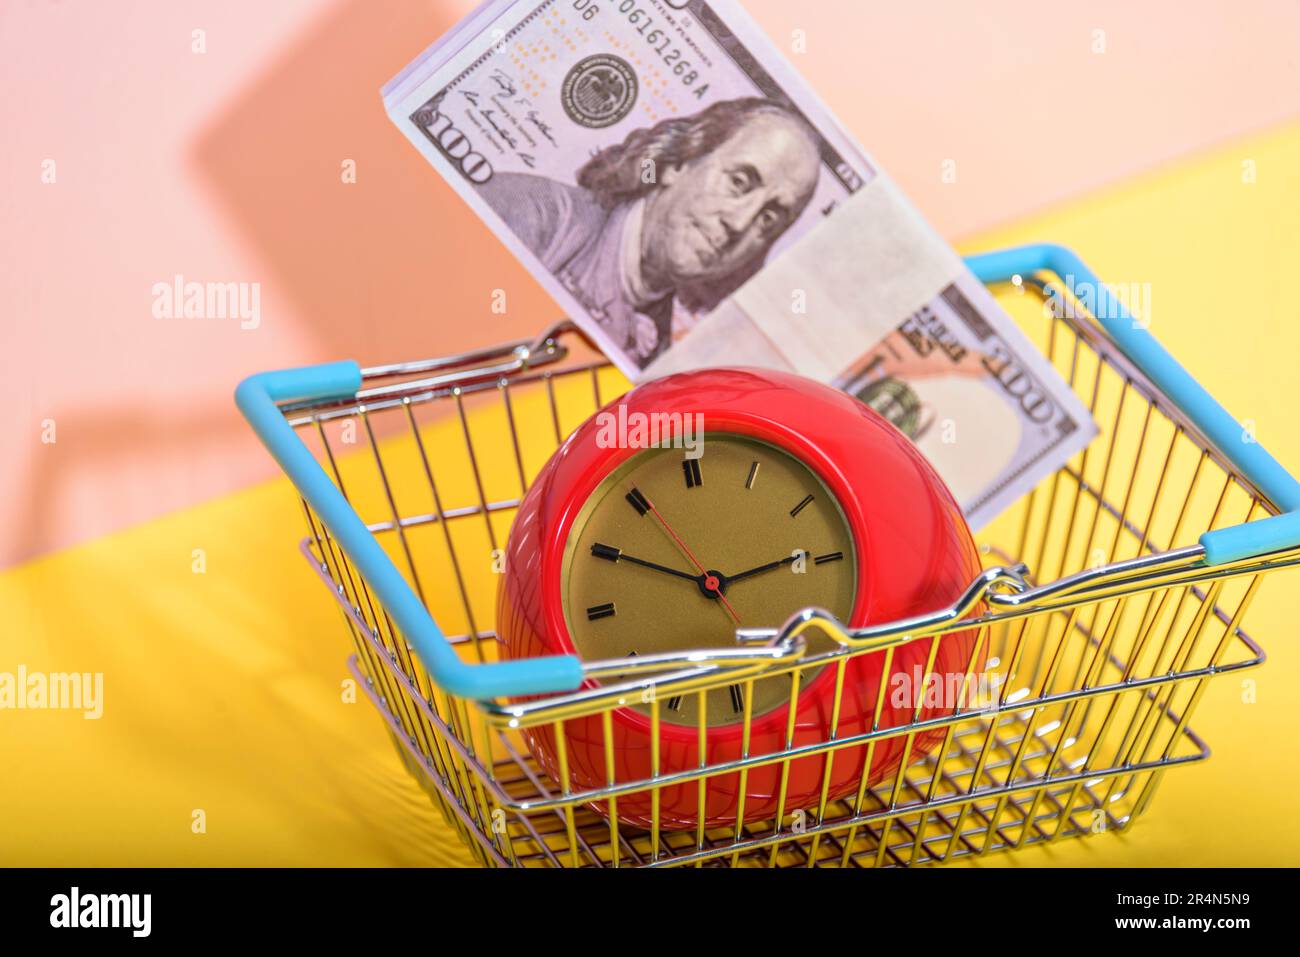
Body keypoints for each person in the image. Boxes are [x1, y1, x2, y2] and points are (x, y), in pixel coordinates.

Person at [477, 97, 823, 368]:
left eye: (769, 218)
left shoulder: (658, 357)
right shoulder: (533, 213)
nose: (739, 223)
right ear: (679, 163)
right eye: (738, 182)